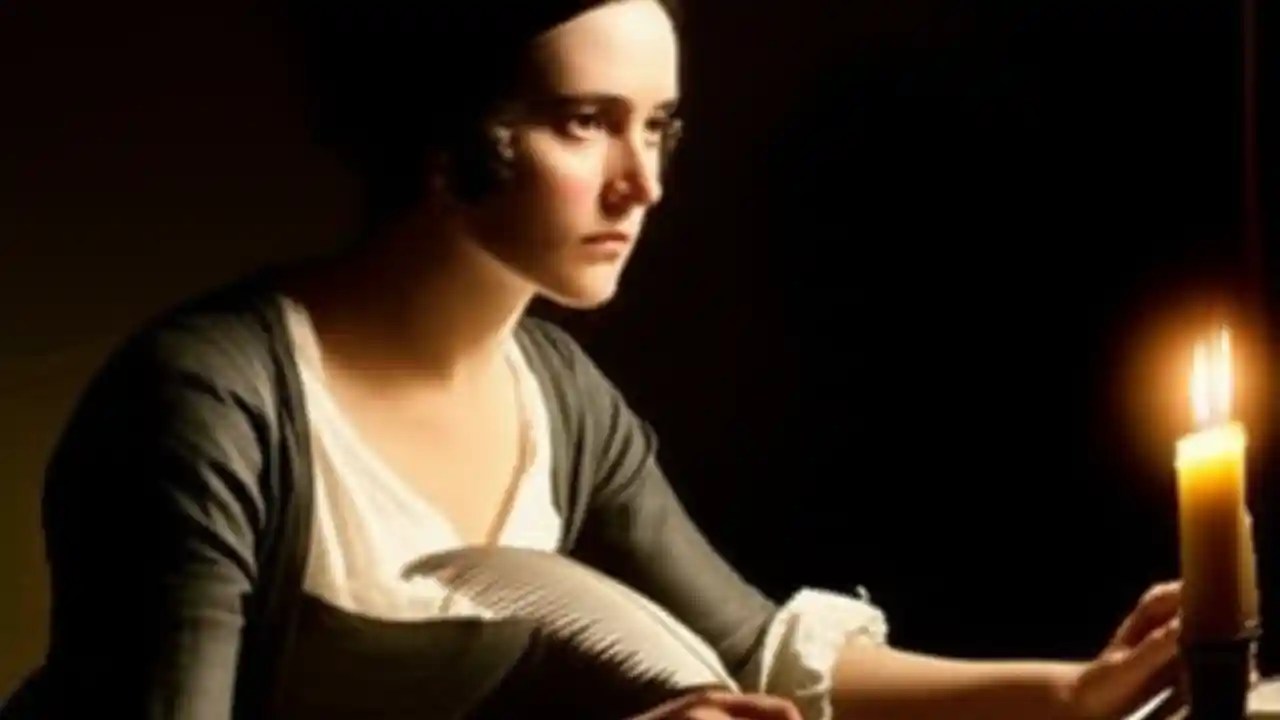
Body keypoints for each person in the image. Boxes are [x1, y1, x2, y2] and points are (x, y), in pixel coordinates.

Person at [2, 0, 1186, 718]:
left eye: (657, 125)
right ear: (452, 124)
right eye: (587, 122)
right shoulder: (216, 406)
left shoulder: (557, 396)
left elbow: (753, 647)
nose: (645, 182)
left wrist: (1068, 693)